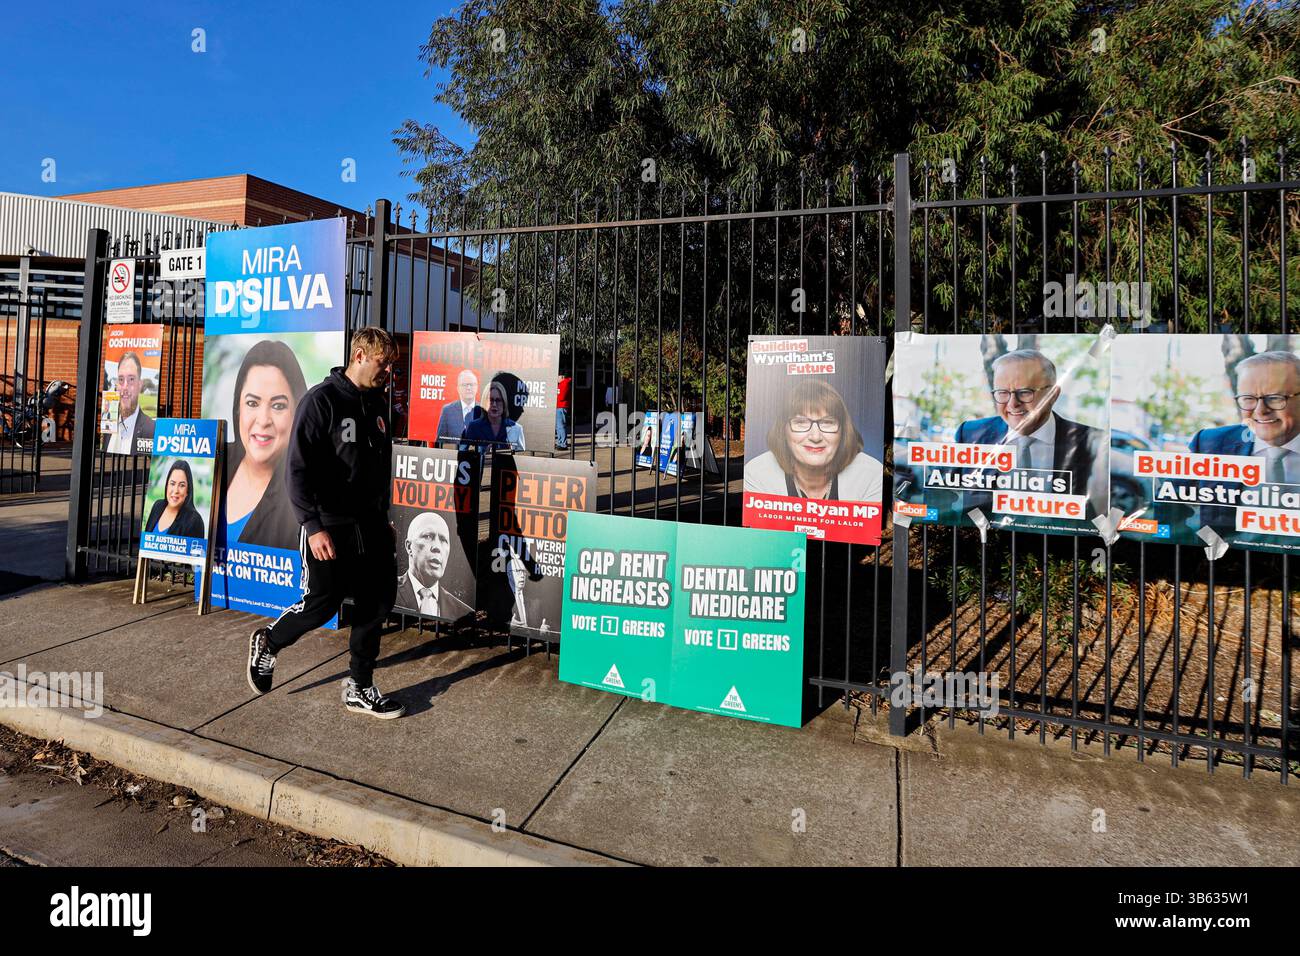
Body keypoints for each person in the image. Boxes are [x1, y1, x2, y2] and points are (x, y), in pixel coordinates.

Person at [246, 327, 404, 719]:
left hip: (371, 524)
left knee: (377, 602)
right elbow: (296, 470)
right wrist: (313, 526)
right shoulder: (322, 401)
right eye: (383, 363)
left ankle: (360, 687)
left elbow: (379, 468)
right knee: (323, 603)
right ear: (360, 356)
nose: (388, 371)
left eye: (391, 365)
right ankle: (270, 641)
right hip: (329, 523)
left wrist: (384, 518)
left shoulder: (378, 405)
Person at [953, 349, 1103, 513]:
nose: (1012, 404)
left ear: (1053, 395)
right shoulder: (970, 434)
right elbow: (938, 490)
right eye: (1002, 393)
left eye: (1024, 392)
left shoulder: (1092, 441)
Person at [1187, 350, 1300, 536]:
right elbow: (1169, 508)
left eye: (1275, 398)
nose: (1260, 410)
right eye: (1248, 399)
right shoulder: (1211, 444)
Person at [223, 340, 308, 551]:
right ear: (238, 409)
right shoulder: (214, 461)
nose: (263, 420)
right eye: (252, 403)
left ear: (297, 412)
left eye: (278, 406)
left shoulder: (306, 489)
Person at [744, 379, 882, 502]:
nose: (815, 437)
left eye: (827, 422)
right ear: (783, 430)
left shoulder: (870, 474)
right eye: (801, 422)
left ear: (843, 431)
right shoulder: (758, 472)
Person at [395, 511, 474, 620]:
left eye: (443, 540)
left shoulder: (465, 614)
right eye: (427, 536)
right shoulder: (382, 591)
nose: (437, 547)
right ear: (409, 547)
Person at [105, 352, 155, 455]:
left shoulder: (150, 429)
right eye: (121, 379)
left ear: (140, 385)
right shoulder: (108, 426)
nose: (125, 387)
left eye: (131, 379)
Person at [144, 460, 205, 538]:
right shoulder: (157, 506)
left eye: (182, 485)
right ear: (167, 485)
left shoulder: (195, 521)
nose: (176, 490)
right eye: (172, 484)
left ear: (188, 490)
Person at [462, 379, 525, 450]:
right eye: (491, 400)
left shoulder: (516, 429)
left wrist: (509, 453)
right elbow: (464, 456)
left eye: (498, 400)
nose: (494, 404)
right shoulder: (473, 427)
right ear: (484, 402)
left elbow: (521, 458)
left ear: (504, 403)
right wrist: (483, 453)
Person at [436, 369, 480, 442]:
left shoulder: (485, 411)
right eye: (464, 385)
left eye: (471, 384)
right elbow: (440, 441)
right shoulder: (447, 411)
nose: (468, 388)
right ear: (458, 388)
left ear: (477, 387)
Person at [555, 374, 572, 449]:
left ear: (561, 377)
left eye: (557, 377)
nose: (557, 379)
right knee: (558, 426)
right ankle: (560, 442)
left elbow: (562, 397)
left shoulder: (564, 383)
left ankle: (563, 444)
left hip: (561, 407)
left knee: (561, 426)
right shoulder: (562, 384)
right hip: (559, 406)